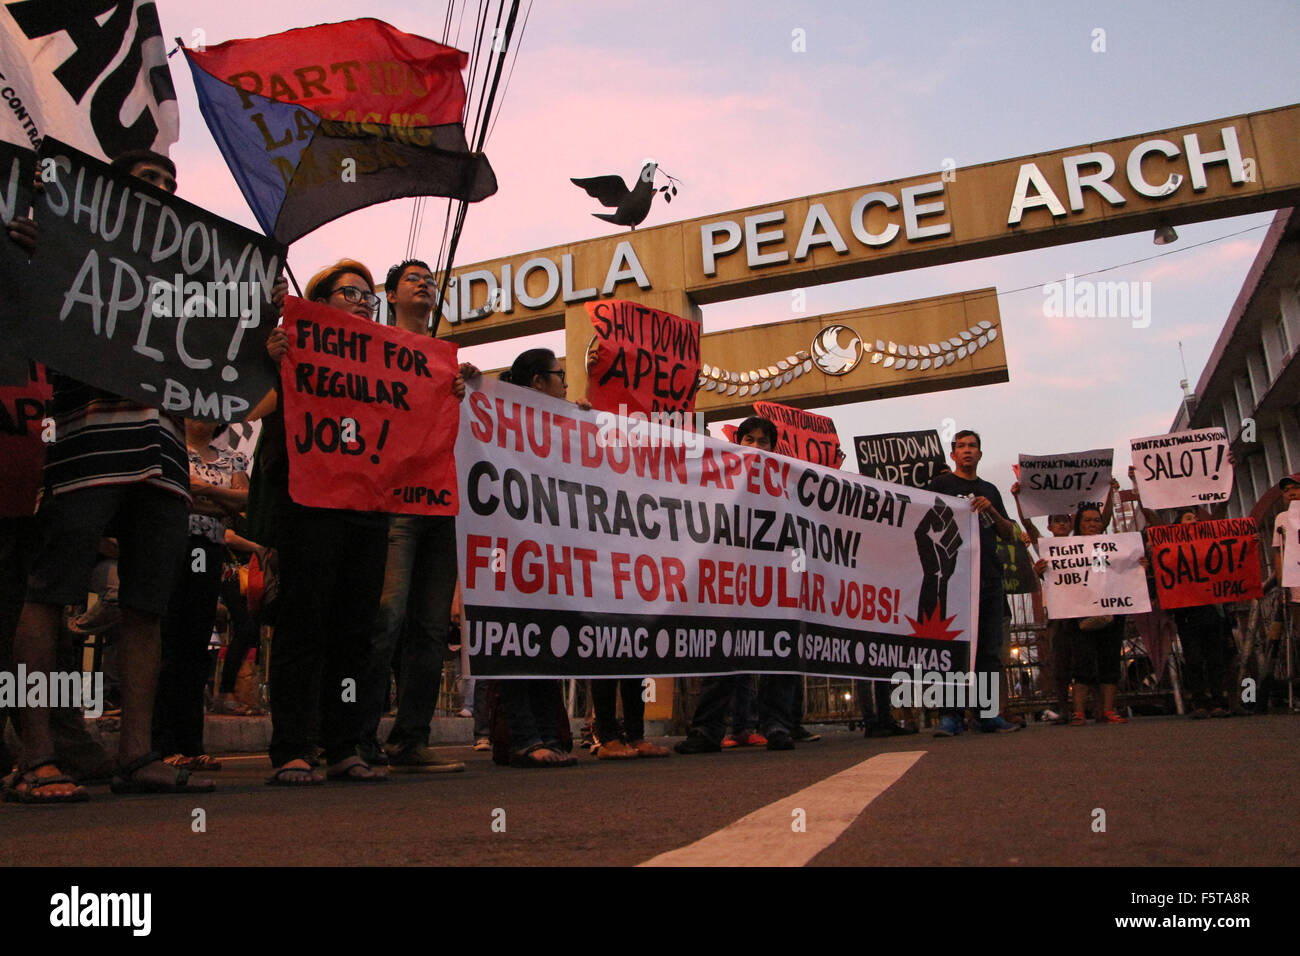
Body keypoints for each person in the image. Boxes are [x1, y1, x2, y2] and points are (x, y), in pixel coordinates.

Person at [6, 151, 223, 802]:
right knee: (48, 593)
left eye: (169, 184)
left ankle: (137, 755)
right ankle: (36, 756)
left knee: (147, 605)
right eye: (147, 179)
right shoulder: (61, 243)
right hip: (84, 440)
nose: (159, 189)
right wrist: (31, 257)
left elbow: (221, 360)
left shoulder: (187, 276)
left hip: (163, 452)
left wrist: (257, 321)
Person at [251, 259, 454, 785]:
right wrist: (273, 360)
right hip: (309, 502)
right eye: (349, 294)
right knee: (305, 624)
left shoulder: (388, 360)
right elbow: (250, 410)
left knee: (354, 630)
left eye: (367, 295)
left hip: (368, 508)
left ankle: (344, 745)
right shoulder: (291, 349)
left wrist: (451, 387)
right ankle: (294, 745)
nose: (363, 302)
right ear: (320, 304)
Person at [356, 260, 468, 774]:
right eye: (413, 279)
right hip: (394, 505)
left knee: (428, 630)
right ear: (391, 295)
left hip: (440, 506)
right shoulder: (371, 348)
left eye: (430, 279)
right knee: (386, 619)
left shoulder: (451, 364)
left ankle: (410, 739)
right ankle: (356, 738)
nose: (425, 284)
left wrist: (473, 389)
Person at [675, 416, 800, 754]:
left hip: (775, 583)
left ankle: (777, 726)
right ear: (738, 441)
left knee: (777, 654)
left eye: (764, 441)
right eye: (750, 439)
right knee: (722, 654)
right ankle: (707, 730)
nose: (757, 447)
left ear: (774, 446)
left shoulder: (791, 479)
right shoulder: (720, 475)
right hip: (732, 582)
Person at [493, 349, 584, 767]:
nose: (565, 384)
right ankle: (524, 737)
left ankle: (549, 733)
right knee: (516, 640)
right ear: (536, 383)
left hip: (552, 552)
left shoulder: (566, 424)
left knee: (549, 639)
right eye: (559, 375)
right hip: (511, 548)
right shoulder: (497, 415)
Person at [152, 419, 250, 770]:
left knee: (195, 645)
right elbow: (170, 498)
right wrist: (219, 501)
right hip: (171, 545)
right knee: (167, 640)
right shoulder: (169, 449)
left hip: (209, 551)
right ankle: (161, 743)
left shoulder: (232, 458)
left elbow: (243, 504)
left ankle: (191, 742)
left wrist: (201, 493)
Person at [926, 430, 1021, 735]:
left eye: (973, 446)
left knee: (988, 648)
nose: (967, 451)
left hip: (989, 577)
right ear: (952, 454)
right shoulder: (941, 485)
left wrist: (990, 510)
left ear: (980, 454)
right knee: (952, 645)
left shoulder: (990, 490)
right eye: (961, 446)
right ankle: (951, 715)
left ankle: (987, 714)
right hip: (952, 576)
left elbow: (1009, 534)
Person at [1050, 504, 1134, 725]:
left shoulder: (1110, 548)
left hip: (1110, 609)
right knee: (1082, 661)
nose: (1093, 524)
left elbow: (1116, 571)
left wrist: (1138, 565)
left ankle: (1107, 710)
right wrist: (1044, 571)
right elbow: (1059, 578)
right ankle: (1079, 712)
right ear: (1079, 524)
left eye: (1096, 520)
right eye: (1088, 520)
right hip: (1079, 612)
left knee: (1109, 660)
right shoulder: (1068, 548)